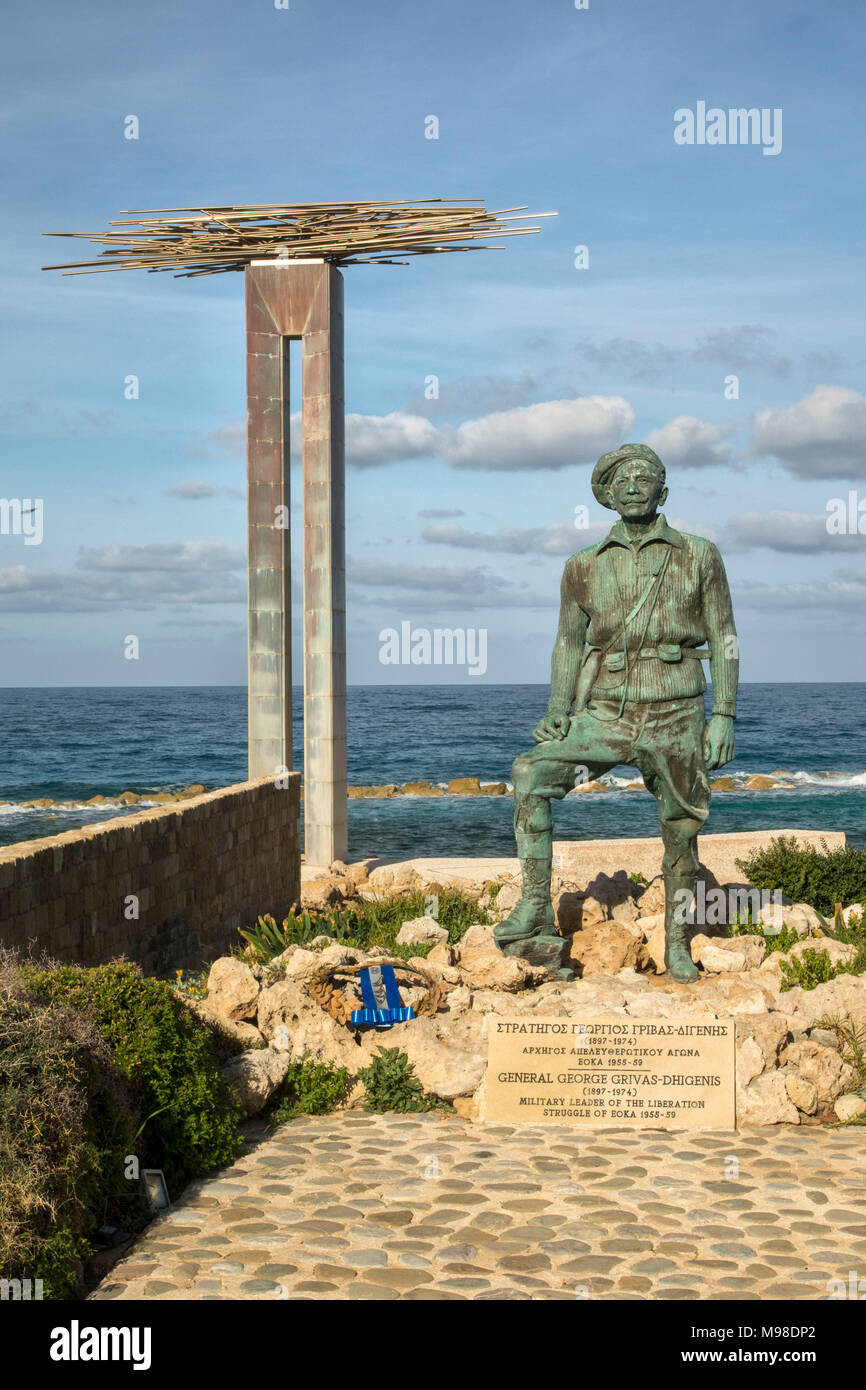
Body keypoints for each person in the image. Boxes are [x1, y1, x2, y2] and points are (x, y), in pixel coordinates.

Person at [494, 442, 738, 983]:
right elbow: (567, 644)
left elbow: (724, 638)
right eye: (620, 479)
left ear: (663, 491)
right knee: (531, 772)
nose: (632, 485)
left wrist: (723, 715)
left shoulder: (700, 554)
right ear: (605, 494)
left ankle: (677, 942)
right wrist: (558, 710)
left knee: (680, 829)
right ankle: (534, 911)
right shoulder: (582, 565)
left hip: (677, 711)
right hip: (605, 712)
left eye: (644, 477)